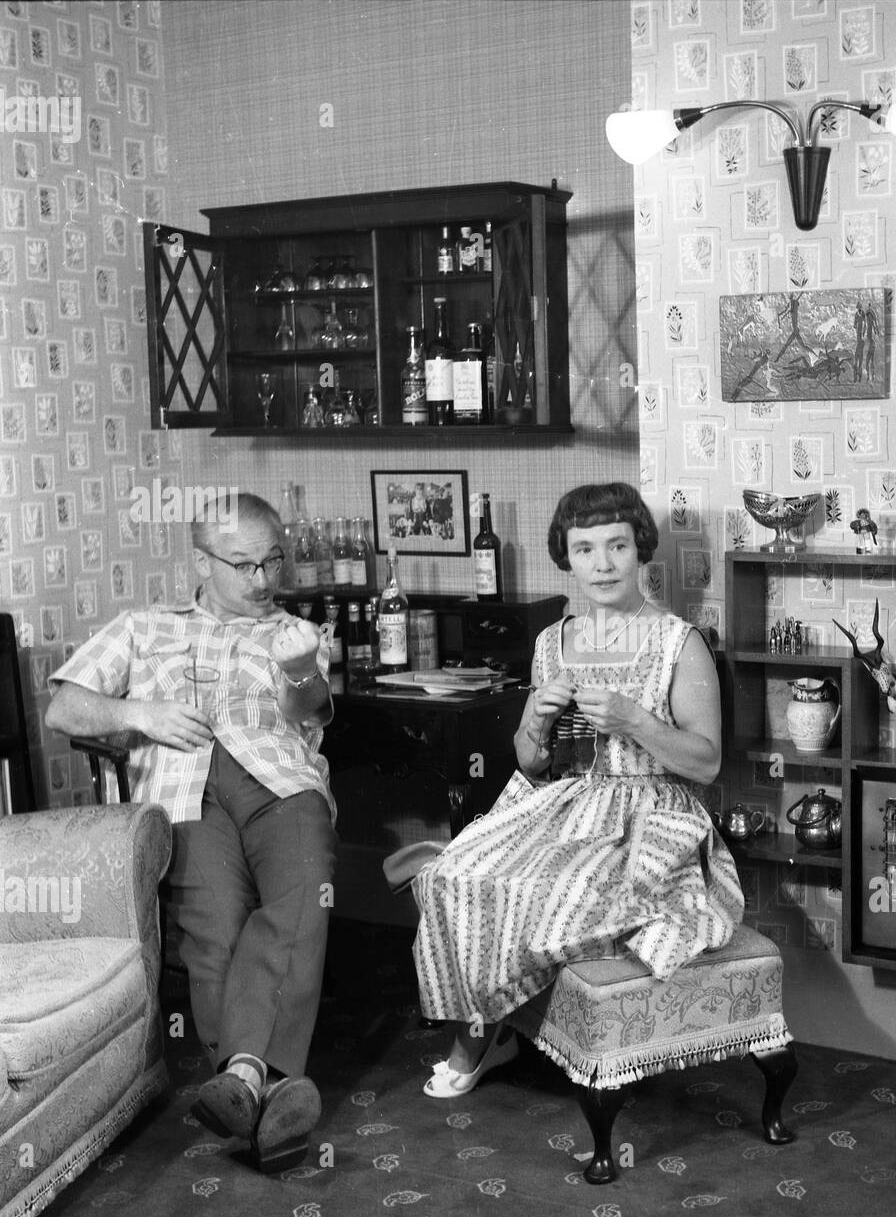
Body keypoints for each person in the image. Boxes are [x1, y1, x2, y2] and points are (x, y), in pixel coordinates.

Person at [411, 482, 743, 1096]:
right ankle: (491, 1026)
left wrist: (635, 721)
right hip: (563, 804)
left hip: (652, 815)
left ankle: (476, 1040)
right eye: (585, 549)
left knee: (560, 887)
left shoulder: (680, 642)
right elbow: (531, 762)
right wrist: (535, 721)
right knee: (450, 872)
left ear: (641, 551)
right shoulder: (551, 643)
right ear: (567, 558)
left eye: (617, 545)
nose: (603, 563)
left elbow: (706, 763)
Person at [44, 492, 336, 1172]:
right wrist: (140, 711)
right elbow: (64, 707)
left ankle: (242, 1082)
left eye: (272, 561)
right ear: (200, 563)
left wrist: (298, 667)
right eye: (243, 565)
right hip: (184, 789)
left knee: (304, 897)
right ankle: (269, 1089)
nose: (263, 581)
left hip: (280, 783)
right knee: (216, 929)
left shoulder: (289, 631)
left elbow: (317, 712)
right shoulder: (144, 626)